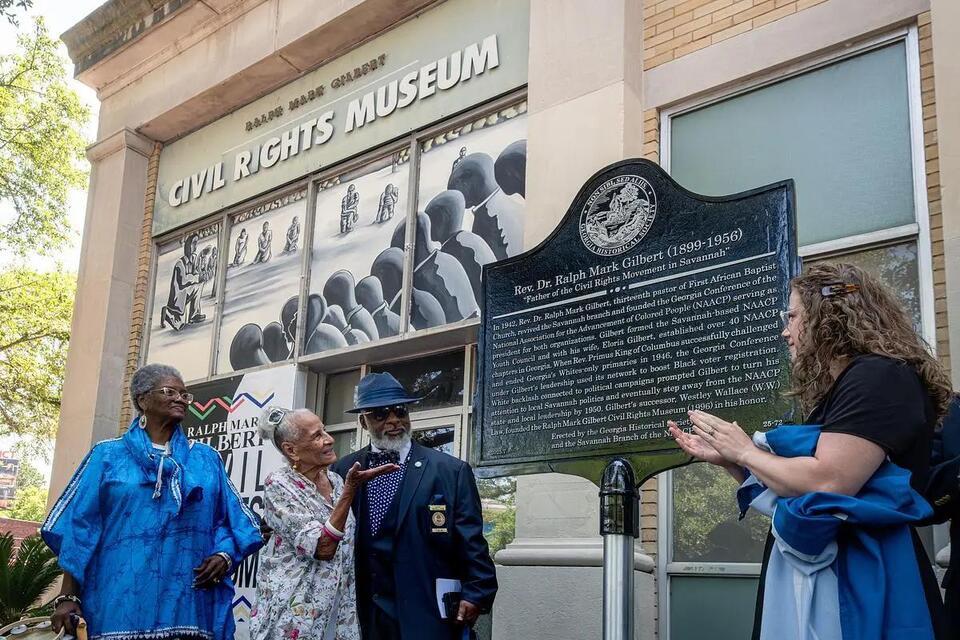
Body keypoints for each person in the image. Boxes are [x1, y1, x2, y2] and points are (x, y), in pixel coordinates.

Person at [669, 263, 952, 639]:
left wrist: (745, 451)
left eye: (792, 316)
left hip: (861, 573)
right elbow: (800, 483)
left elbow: (829, 480)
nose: (786, 332)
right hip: (839, 564)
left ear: (829, 315)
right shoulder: (854, 383)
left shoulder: (878, 375)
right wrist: (732, 460)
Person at [42, 364, 264, 640]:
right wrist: (67, 595)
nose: (180, 399)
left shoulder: (205, 459)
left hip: (188, 602)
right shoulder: (108, 456)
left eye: (185, 394)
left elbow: (235, 520)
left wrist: (224, 554)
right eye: (170, 391)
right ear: (143, 400)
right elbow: (80, 528)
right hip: (117, 603)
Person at [333, 373, 497, 640]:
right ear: (363, 421)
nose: (394, 420)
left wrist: (476, 592)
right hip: (363, 614)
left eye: (400, 410)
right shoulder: (343, 470)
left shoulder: (450, 471)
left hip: (426, 610)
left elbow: (472, 541)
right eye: (380, 414)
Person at [251, 407, 397, 640]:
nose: (329, 440)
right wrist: (350, 491)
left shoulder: (337, 481)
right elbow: (324, 548)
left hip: (338, 614)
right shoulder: (279, 484)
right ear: (291, 450)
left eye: (325, 431)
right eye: (317, 436)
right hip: (294, 617)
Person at [160, 233, 205, 330]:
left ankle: (194, 315)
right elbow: (183, 281)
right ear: (188, 246)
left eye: (196, 243)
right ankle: (167, 312)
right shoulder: (180, 263)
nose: (195, 246)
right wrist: (195, 278)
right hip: (179, 295)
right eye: (193, 243)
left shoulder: (193, 260)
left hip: (186, 292)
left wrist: (197, 277)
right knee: (178, 326)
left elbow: (196, 273)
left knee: (199, 285)